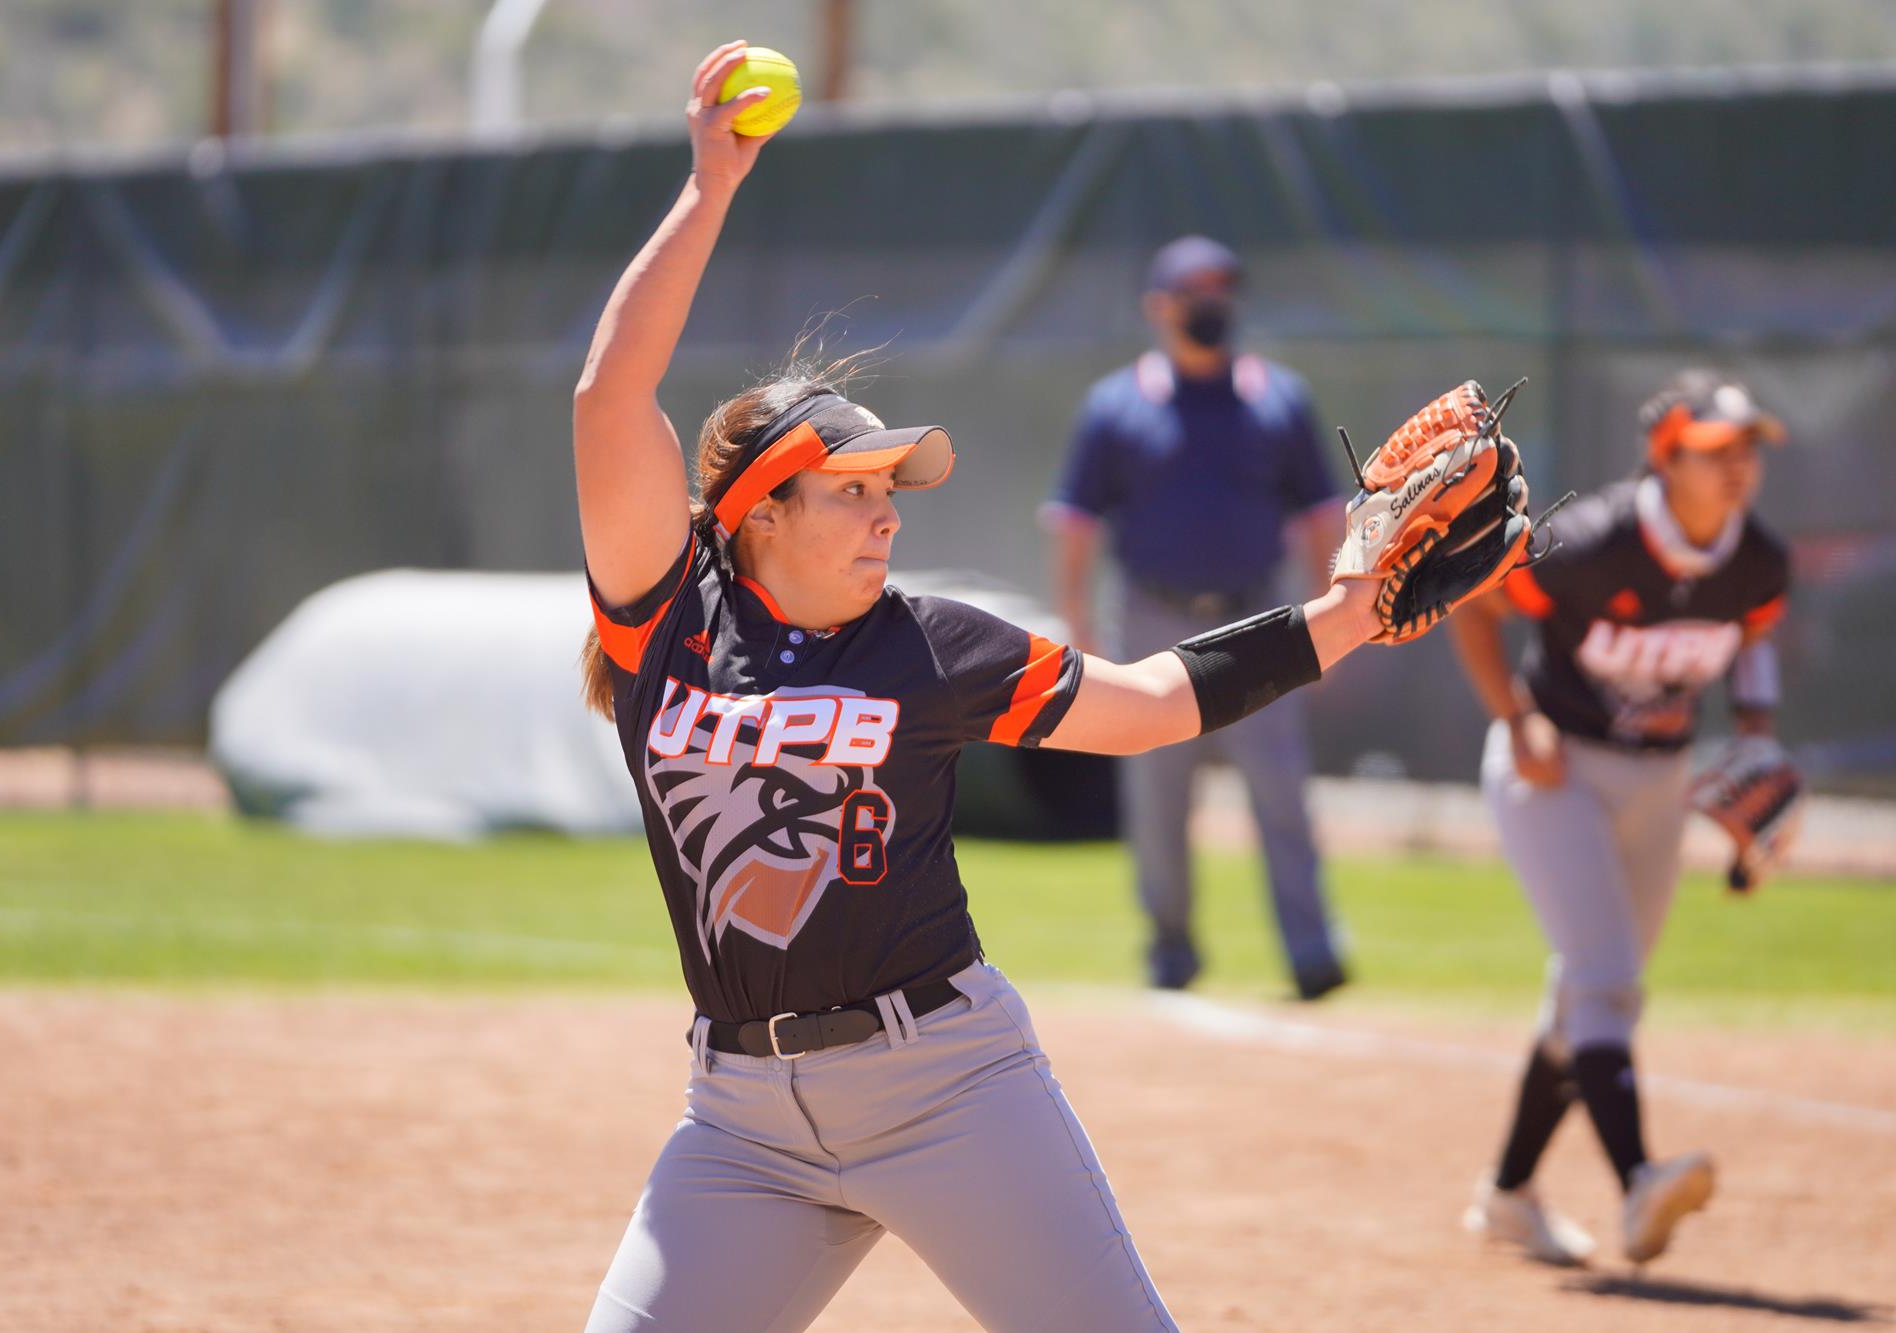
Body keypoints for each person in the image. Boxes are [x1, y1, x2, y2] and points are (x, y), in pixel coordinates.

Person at [573, 44, 1517, 1332]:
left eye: (887, 491)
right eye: (848, 490)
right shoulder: (663, 619)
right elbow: (609, 392)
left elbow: (1143, 703)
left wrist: (1347, 614)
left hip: (949, 1089)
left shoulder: (932, 645)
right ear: (758, 514)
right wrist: (709, 189)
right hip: (739, 1125)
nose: (882, 516)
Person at [1448, 369, 1791, 1267]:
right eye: (1717, 452)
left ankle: (1508, 1195)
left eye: (1748, 450)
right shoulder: (1591, 540)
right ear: (1665, 455)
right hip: (1553, 765)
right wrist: (1513, 717)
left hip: (1658, 780)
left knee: (1585, 1001)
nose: (1739, 469)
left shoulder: (1758, 560)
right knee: (1606, 980)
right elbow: (1474, 607)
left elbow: (1754, 639)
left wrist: (1757, 736)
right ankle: (1639, 1180)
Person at [1046, 236, 1349, 998]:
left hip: (1264, 620)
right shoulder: (1117, 405)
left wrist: (1333, 615)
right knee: (1158, 800)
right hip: (1152, 620)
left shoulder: (1277, 397)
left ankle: (1312, 955)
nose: (1212, 303)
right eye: (1195, 290)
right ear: (1159, 305)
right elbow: (1076, 522)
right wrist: (1078, 625)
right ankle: (1171, 950)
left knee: (1282, 794)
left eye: (1223, 288)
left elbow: (1320, 516)